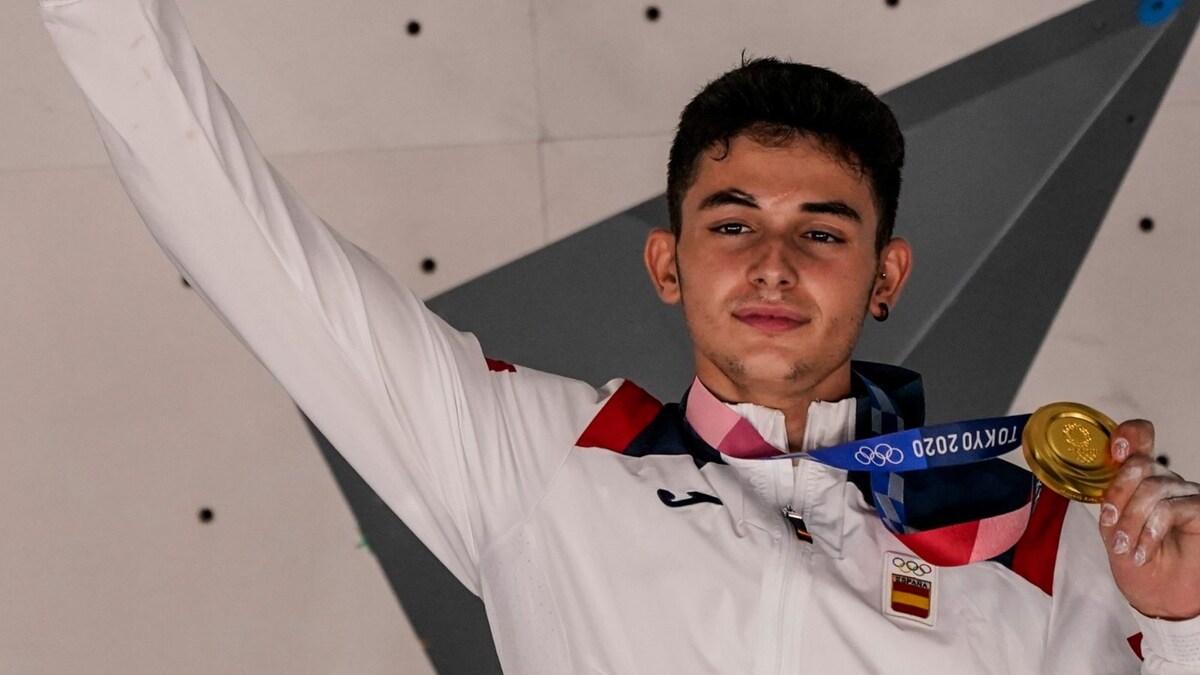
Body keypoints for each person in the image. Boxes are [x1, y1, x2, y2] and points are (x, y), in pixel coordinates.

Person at [38, 0, 1200, 672]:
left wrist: (1185, 616)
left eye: (823, 233)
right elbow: (246, 240)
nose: (773, 266)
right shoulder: (543, 461)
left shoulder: (1037, 534)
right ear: (668, 262)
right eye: (732, 222)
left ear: (885, 275)